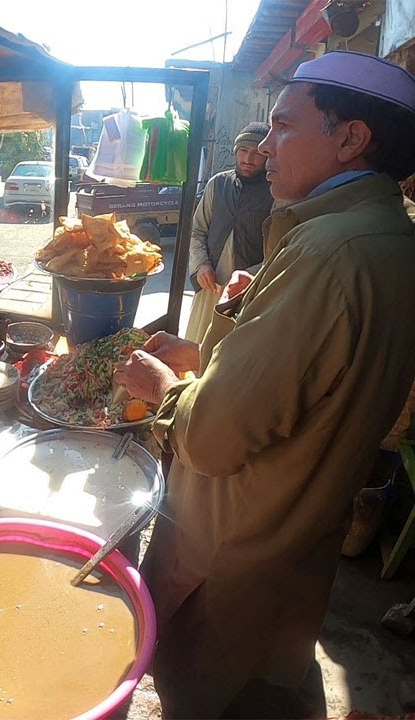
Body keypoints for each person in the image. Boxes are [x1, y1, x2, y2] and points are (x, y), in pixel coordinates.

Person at [115, 51, 415, 718]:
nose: (266, 144)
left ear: (351, 138)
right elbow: (321, 381)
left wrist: (162, 385)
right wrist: (210, 353)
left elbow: (213, 438)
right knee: (270, 677)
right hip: (301, 532)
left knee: (209, 689)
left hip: (234, 542)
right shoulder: (392, 234)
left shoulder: (325, 251)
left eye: (283, 124)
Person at [183, 122, 275, 343]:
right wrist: (201, 265)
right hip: (210, 286)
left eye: (257, 153)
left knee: (232, 351)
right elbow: (197, 231)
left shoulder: (275, 192)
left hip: (247, 291)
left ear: (267, 156)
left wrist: (250, 276)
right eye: (243, 151)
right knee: (196, 346)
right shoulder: (218, 184)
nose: (248, 159)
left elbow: (279, 247)